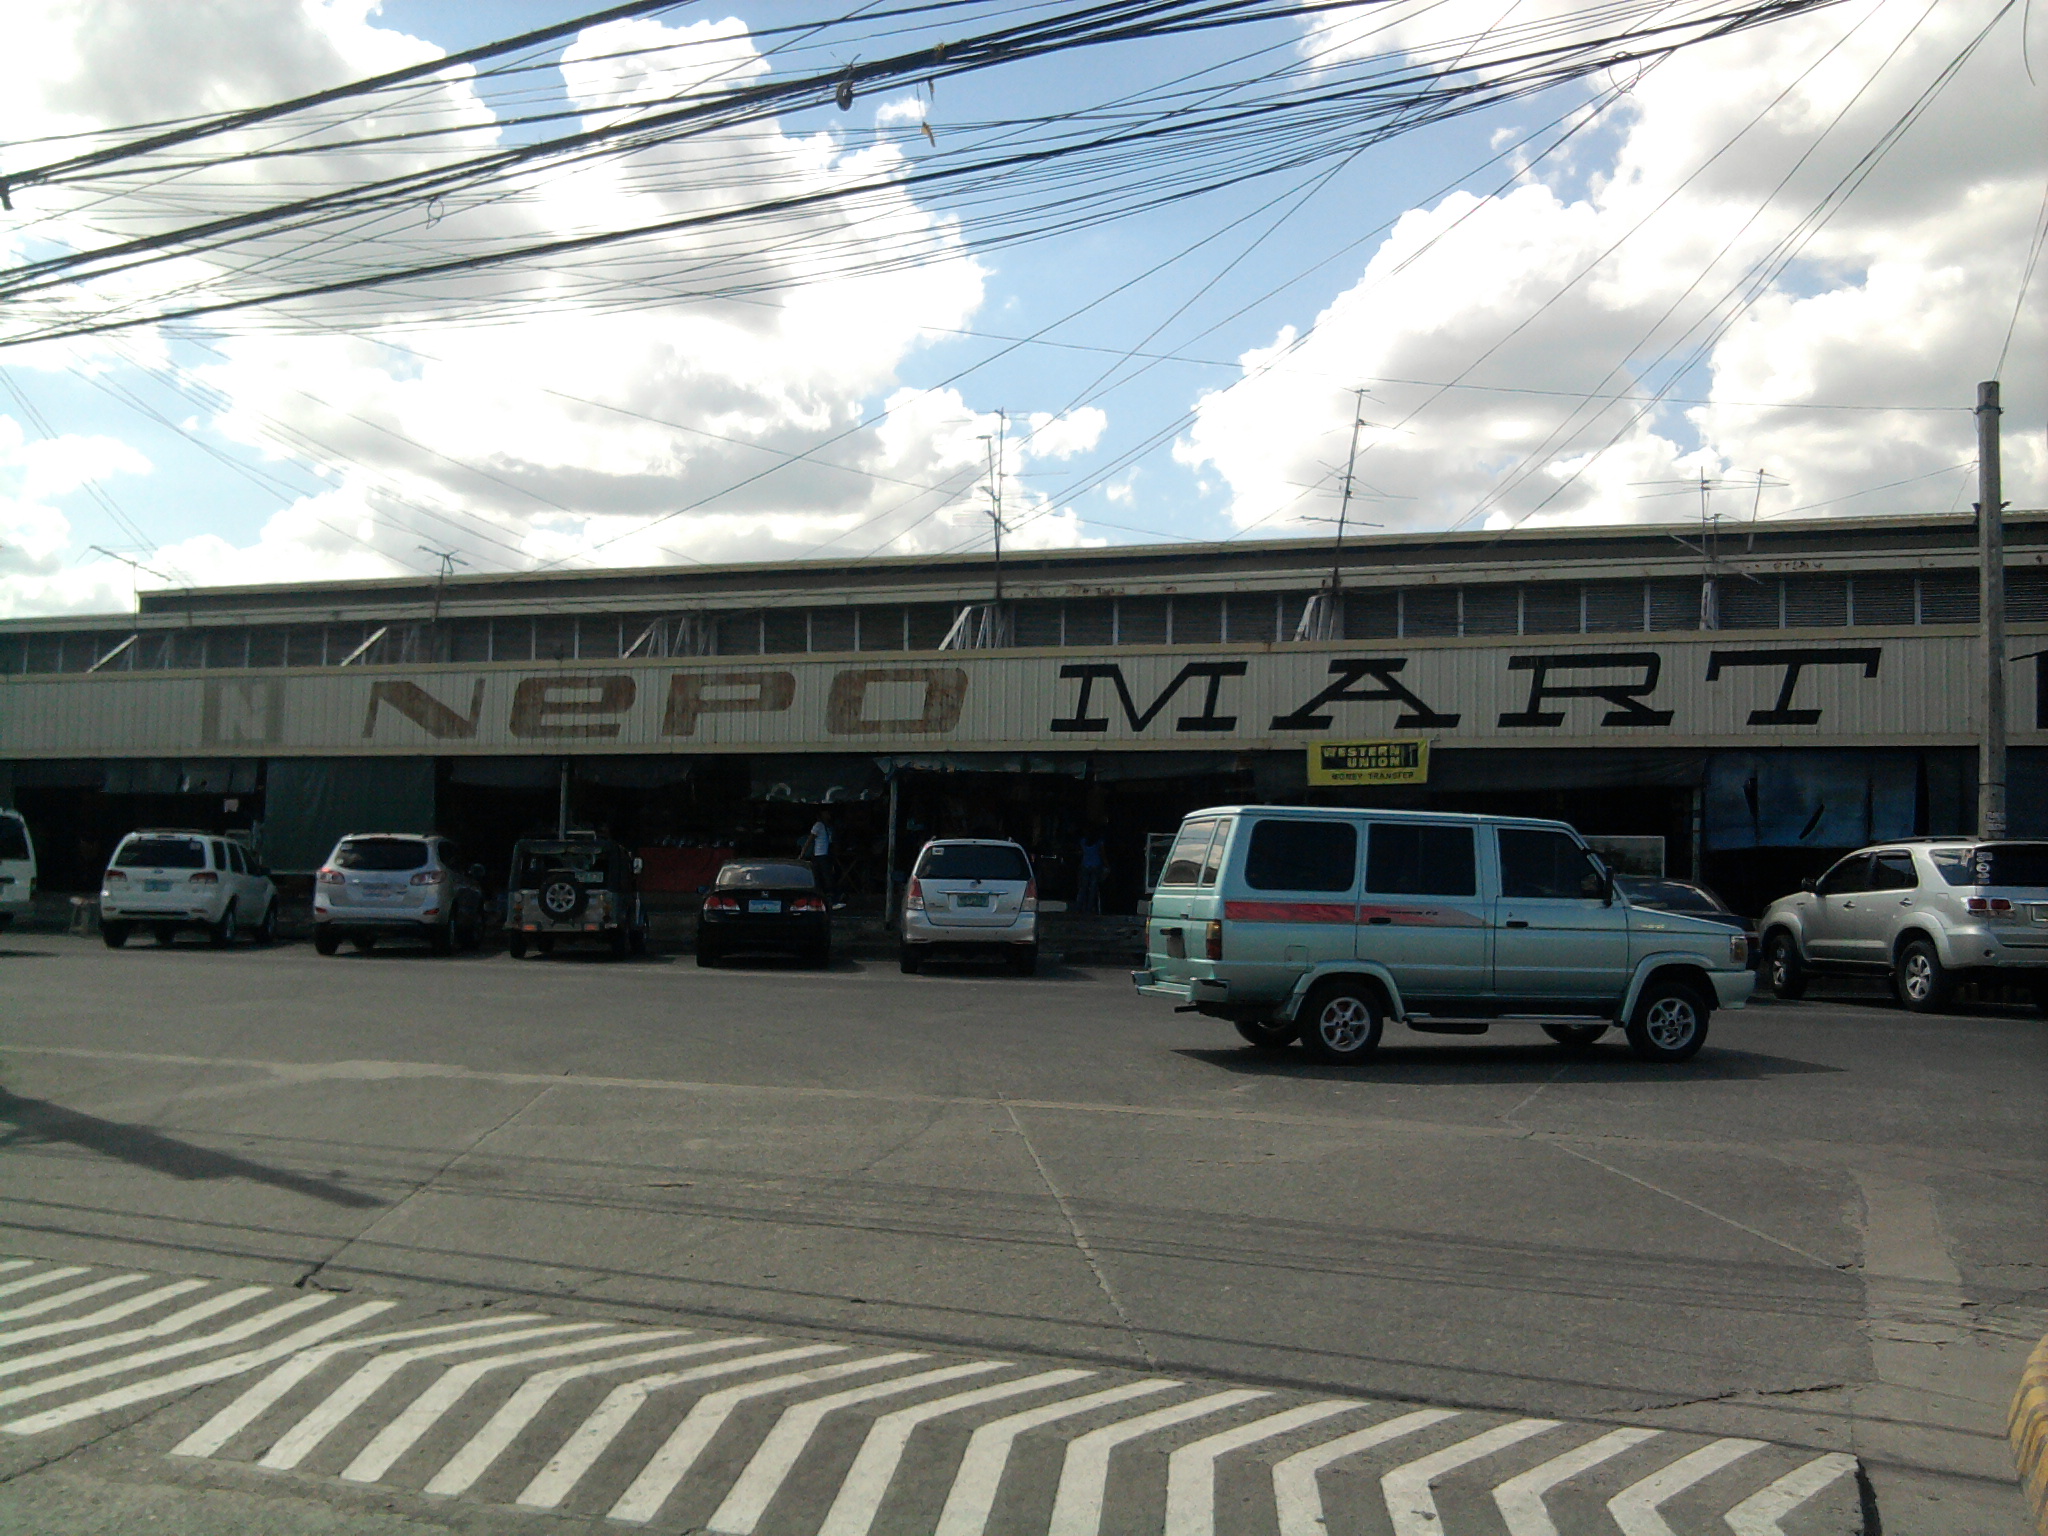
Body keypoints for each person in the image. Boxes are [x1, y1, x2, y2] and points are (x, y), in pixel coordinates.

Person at [804, 813, 843, 907]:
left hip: (825, 855)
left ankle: (830, 897)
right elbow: (810, 840)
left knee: (826, 876)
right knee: (822, 876)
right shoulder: (818, 825)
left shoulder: (828, 827)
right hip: (819, 855)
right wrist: (802, 854)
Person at [1076, 832, 1107, 915]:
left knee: (1083, 887)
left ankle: (1079, 906)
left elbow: (1080, 852)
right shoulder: (1099, 842)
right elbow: (1102, 853)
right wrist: (1106, 864)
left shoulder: (1083, 841)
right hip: (1096, 865)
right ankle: (1089, 908)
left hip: (1085, 864)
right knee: (1093, 888)